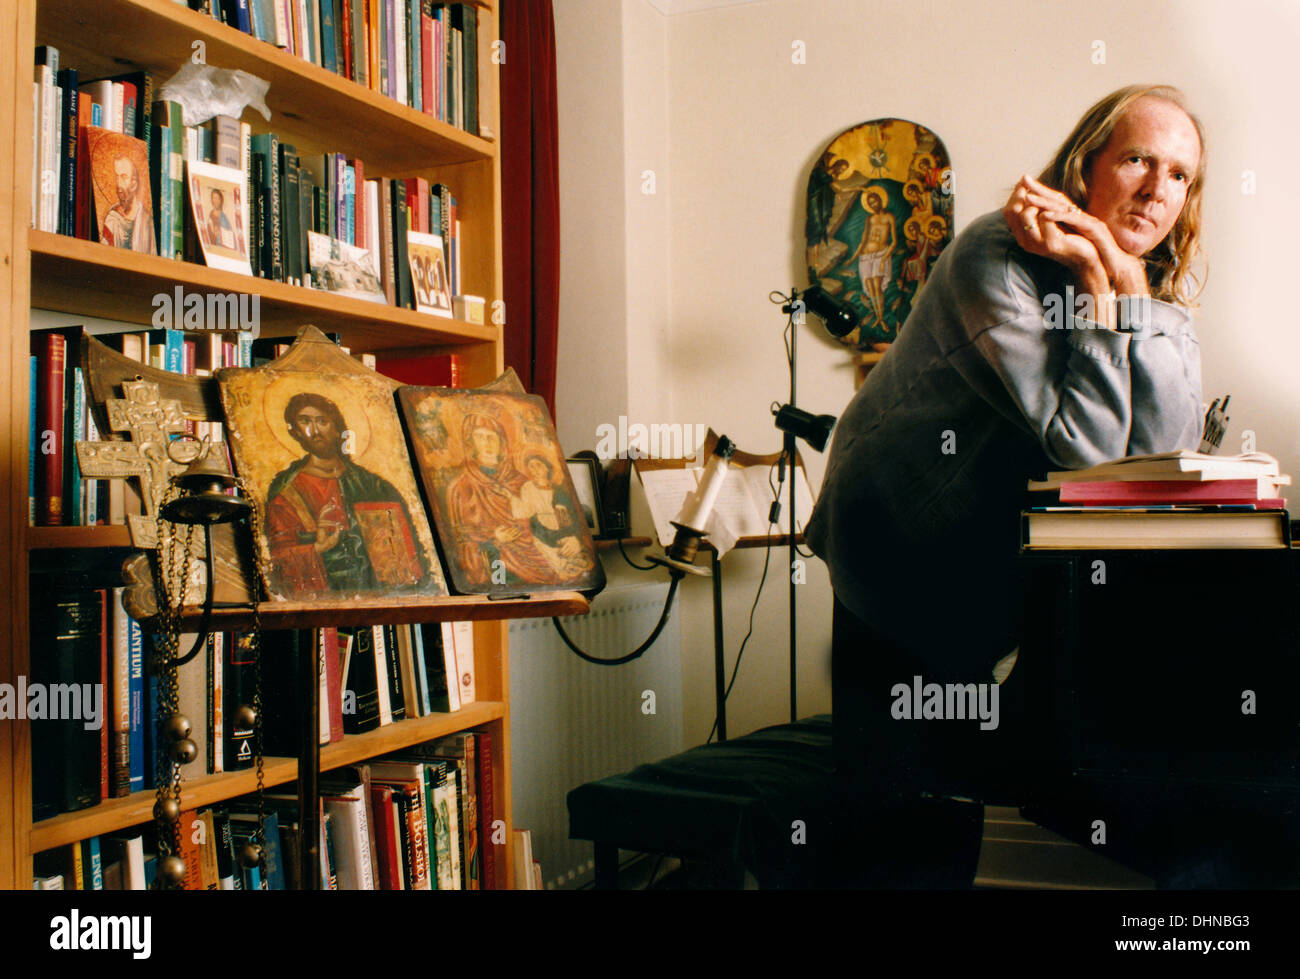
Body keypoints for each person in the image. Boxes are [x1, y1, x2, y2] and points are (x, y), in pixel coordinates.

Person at [806, 85, 1206, 886]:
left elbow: (1166, 452)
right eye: (1137, 159)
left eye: (1180, 176)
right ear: (1084, 163)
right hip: (897, 557)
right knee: (898, 823)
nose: (1159, 188)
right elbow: (1088, 457)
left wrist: (1122, 283)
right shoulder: (994, 256)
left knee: (991, 784)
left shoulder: (1142, 284)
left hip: (999, 570)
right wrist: (1105, 292)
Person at [265, 392, 427, 597]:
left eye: (322, 421)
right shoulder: (287, 493)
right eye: (305, 422)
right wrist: (317, 548)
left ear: (336, 429)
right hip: (323, 600)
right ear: (295, 432)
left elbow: (407, 553)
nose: (315, 431)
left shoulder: (373, 485)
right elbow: (276, 560)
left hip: (378, 599)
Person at [101, 155, 156, 254]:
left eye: (124, 177)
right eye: (117, 177)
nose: (118, 184)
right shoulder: (111, 219)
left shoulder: (146, 220)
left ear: (134, 184)